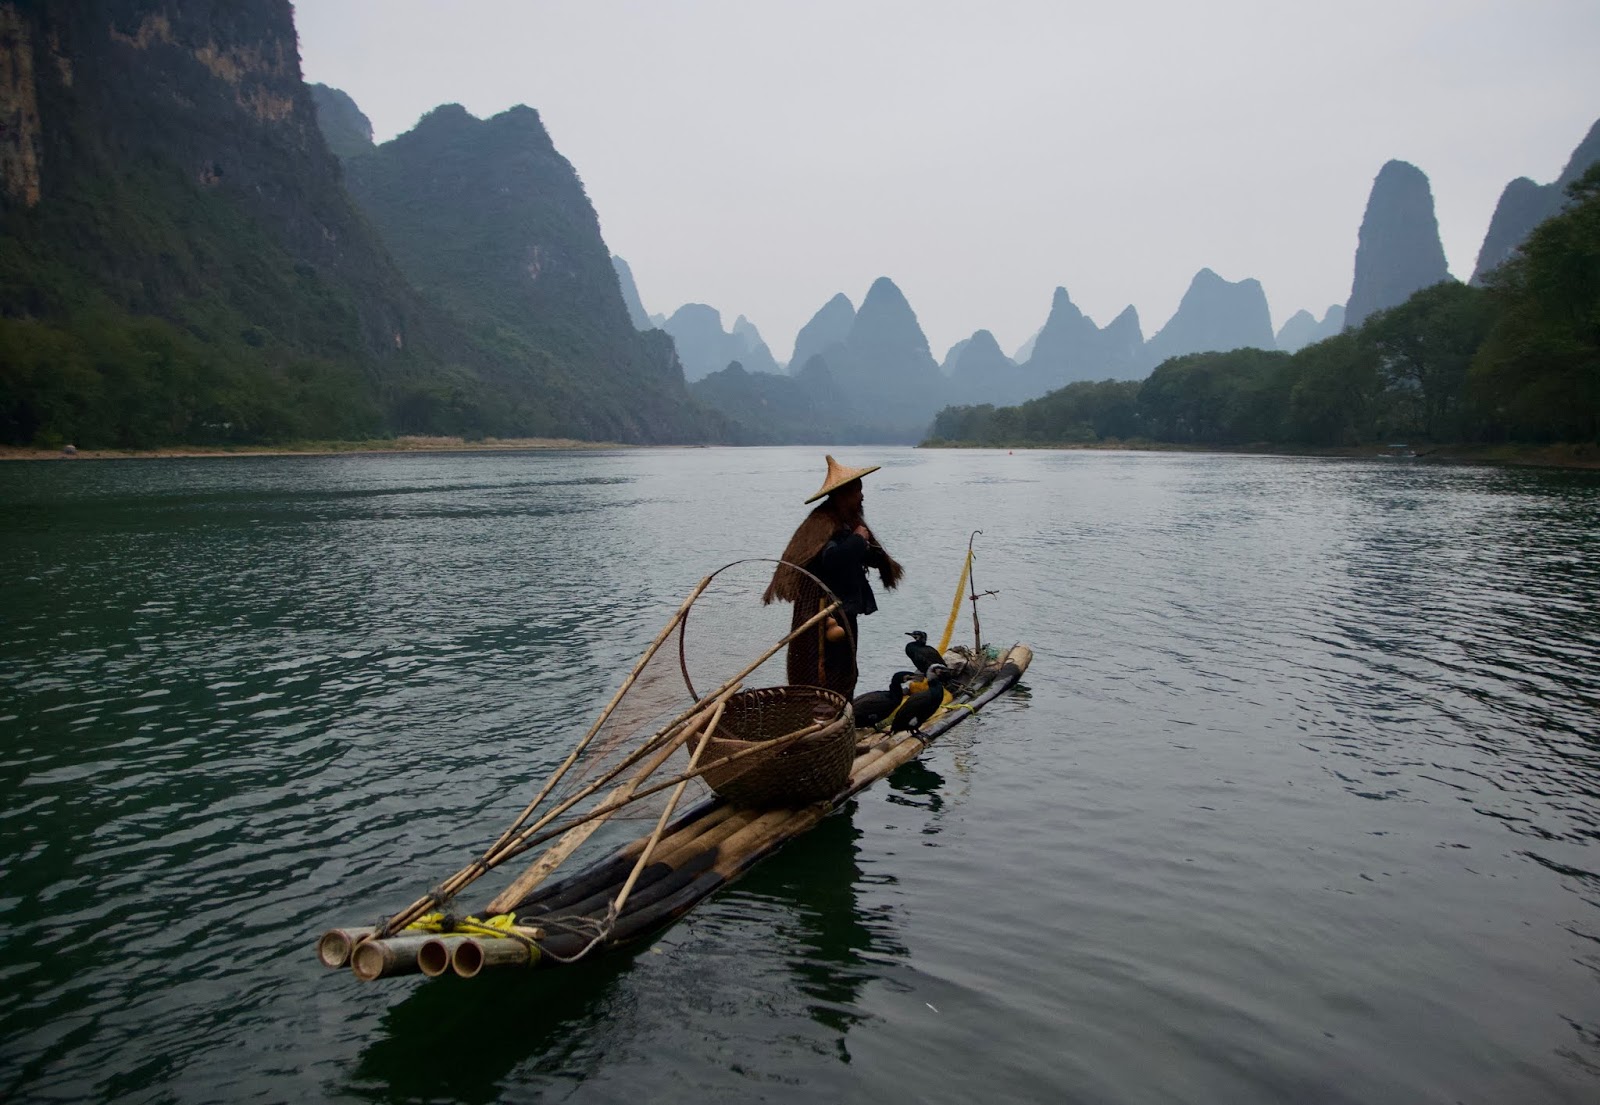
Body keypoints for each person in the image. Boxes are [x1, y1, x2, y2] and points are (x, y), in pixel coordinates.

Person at [764, 455, 903, 699]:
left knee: (845, 668)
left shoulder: (844, 521)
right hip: (822, 613)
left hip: (841, 610)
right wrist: (859, 539)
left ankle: (841, 718)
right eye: (858, 491)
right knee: (823, 669)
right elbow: (833, 560)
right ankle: (823, 722)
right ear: (843, 494)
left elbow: (858, 556)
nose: (862, 496)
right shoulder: (823, 523)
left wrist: (871, 552)